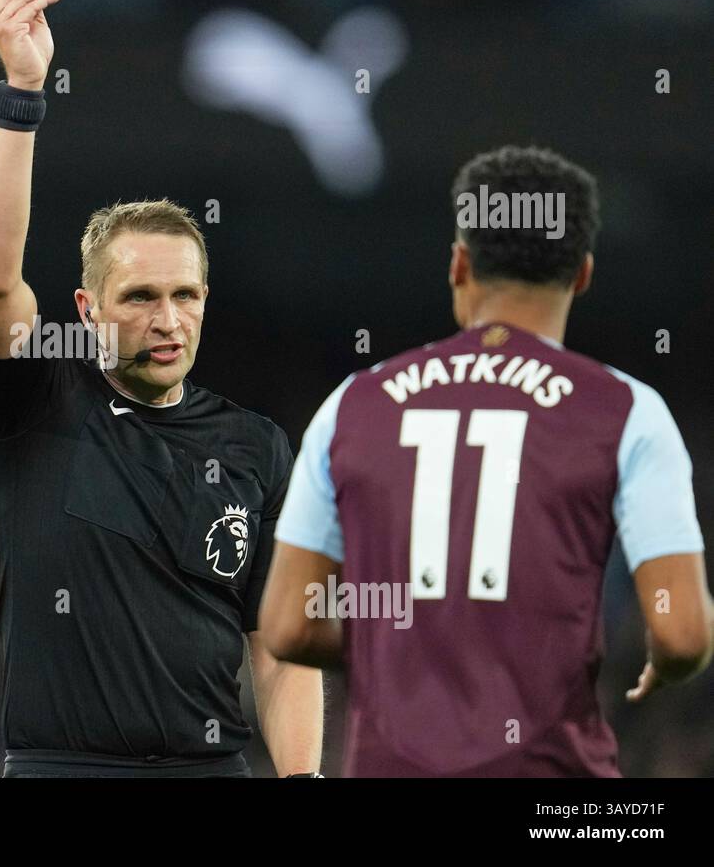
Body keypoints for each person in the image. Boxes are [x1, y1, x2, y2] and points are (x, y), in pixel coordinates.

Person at [0, 0, 323, 777]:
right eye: (141, 297)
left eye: (185, 295)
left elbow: (279, 646)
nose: (168, 320)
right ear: (87, 310)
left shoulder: (256, 446)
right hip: (65, 767)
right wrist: (23, 90)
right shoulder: (42, 396)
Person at [261, 145, 713, 776]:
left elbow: (287, 623)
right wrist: (667, 664)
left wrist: (410, 630)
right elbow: (683, 633)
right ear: (582, 273)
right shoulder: (628, 410)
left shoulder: (353, 405)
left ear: (459, 264)